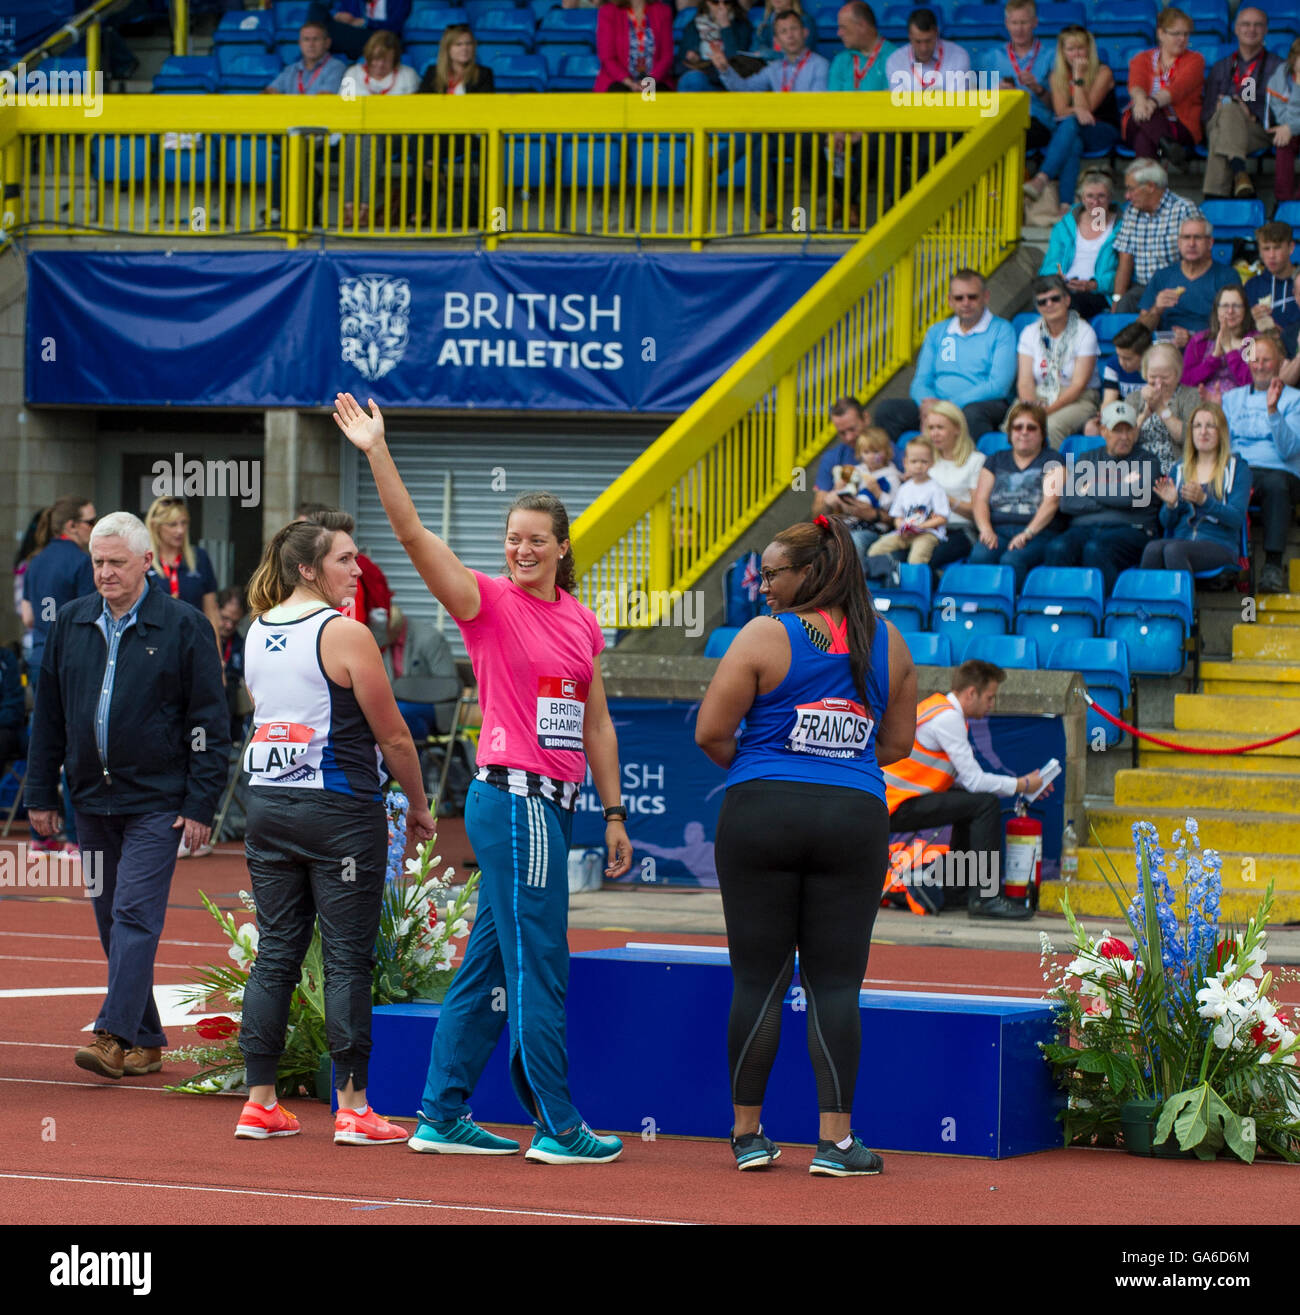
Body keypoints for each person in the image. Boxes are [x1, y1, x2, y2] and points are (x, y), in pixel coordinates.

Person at [334, 391, 634, 1164]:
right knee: (543, 960)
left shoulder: (579, 619)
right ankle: (560, 1125)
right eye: (512, 538)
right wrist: (377, 450)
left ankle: (440, 1112)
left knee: (491, 962)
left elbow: (596, 721)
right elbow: (410, 532)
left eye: (536, 539)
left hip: (555, 807)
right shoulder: (487, 602)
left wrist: (614, 812)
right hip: (514, 801)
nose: (521, 549)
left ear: (564, 547)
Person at [694, 516, 917, 1173]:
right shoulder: (892, 643)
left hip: (762, 812)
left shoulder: (765, 635)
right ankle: (837, 1143)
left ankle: (747, 1136)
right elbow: (899, 744)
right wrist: (837, 755)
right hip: (853, 816)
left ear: (810, 575)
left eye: (772, 573)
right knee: (837, 984)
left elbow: (711, 730)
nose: (760, 585)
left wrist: (769, 764)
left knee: (757, 978)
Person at [233, 519, 434, 1145]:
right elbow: (393, 734)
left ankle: (259, 1101)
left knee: (276, 952)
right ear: (308, 570)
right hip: (339, 810)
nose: (356, 571)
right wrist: (422, 807)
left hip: (266, 805)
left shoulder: (256, 629)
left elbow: (269, 711)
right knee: (348, 956)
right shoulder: (345, 633)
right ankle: (352, 1107)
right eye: (345, 561)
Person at [25, 512, 229, 1081]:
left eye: (116, 562)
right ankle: (148, 1037)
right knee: (108, 921)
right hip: (89, 799)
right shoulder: (70, 621)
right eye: (98, 562)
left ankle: (113, 1035)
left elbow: (209, 722)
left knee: (134, 913)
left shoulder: (184, 626)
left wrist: (200, 804)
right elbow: (49, 717)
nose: (105, 573)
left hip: (158, 801)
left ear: (146, 562)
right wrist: (41, 792)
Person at [882, 659, 1048, 919]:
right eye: (990, 697)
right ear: (972, 693)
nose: (992, 704)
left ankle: (959, 890)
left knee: (972, 802)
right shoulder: (948, 719)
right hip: (894, 807)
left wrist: (1025, 787)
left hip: (893, 802)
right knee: (985, 803)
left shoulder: (940, 710)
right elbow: (974, 780)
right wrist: (1022, 785)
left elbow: (965, 782)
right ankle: (985, 897)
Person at [874, 270, 1017, 443]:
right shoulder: (937, 331)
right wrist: (927, 404)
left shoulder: (1002, 330)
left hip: (981, 404)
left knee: (971, 414)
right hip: (937, 404)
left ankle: (970, 468)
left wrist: (949, 405)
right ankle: (895, 467)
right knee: (886, 410)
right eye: (959, 298)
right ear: (950, 300)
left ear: (985, 297)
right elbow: (920, 381)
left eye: (972, 297)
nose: (966, 303)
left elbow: (998, 386)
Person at [1042, 400, 1161, 593]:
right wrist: (1116, 493)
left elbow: (1131, 498)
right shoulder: (1087, 458)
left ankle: (1106, 614)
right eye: (1117, 430)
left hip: (1131, 530)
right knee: (1057, 547)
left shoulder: (1147, 460)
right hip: (1084, 529)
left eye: (1129, 430)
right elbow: (1067, 502)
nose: (1124, 437)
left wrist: (1090, 488)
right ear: (1104, 431)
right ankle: (1063, 612)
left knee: (1096, 549)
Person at [1220, 332, 1300, 594]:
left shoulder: (1295, 399)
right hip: (1240, 469)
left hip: (1280, 472)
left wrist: (1273, 411)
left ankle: (1273, 567)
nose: (1260, 365)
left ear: (1279, 363)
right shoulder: (1232, 399)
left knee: (1276, 484)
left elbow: (1289, 450)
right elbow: (1223, 445)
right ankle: (1224, 566)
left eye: (1267, 360)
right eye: (1255, 359)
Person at [1144, 402, 1251, 579]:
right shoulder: (1179, 468)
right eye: (1197, 426)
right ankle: (1147, 606)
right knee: (1152, 549)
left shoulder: (1237, 469)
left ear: (1221, 432)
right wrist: (1171, 505)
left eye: (1210, 426)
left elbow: (1236, 518)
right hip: (1183, 540)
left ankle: (1184, 606)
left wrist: (1204, 501)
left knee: (1173, 550)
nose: (1203, 432)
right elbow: (1166, 523)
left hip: (1220, 544)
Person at [1024, 30, 1120, 222]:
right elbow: (1061, 111)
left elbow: (1087, 111)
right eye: (1070, 49)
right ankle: (1065, 206)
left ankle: (1042, 178)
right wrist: (1076, 111)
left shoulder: (1103, 72)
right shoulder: (1056, 75)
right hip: (1072, 132)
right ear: (1062, 52)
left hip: (1101, 129)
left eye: (1080, 49)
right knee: (1072, 140)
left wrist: (1078, 77)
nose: (1076, 54)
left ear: (1089, 50)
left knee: (1071, 123)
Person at [966, 401, 1064, 589]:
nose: (1024, 432)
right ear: (1010, 433)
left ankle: (1012, 613)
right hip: (999, 530)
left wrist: (1027, 533)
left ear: (1042, 433)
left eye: (1031, 428)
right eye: (1018, 427)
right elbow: (980, 500)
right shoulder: (995, 460)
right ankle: (983, 611)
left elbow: (1051, 502)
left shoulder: (1054, 460)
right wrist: (985, 530)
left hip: (1039, 532)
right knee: (980, 555)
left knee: (1012, 559)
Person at [340, 31, 419, 228]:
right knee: (356, 138)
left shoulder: (408, 75)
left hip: (396, 136)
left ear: (395, 59)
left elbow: (411, 113)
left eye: (386, 60)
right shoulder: (352, 74)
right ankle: (350, 206)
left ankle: (364, 207)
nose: (380, 65)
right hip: (356, 133)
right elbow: (345, 107)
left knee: (370, 137)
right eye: (375, 59)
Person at [1200, 7, 1279, 200]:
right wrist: (1221, 111)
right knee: (1226, 114)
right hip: (1220, 124)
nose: (1251, 29)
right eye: (1245, 24)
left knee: (1221, 134)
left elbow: (1284, 111)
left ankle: (1215, 197)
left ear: (1266, 29)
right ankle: (1239, 173)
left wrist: (1252, 115)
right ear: (1235, 29)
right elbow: (1206, 113)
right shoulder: (1221, 66)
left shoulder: (1278, 66)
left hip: (1257, 130)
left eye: (1257, 25)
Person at [1014, 273, 1101, 443]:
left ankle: (1054, 469)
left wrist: (1044, 412)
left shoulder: (1084, 332)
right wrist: (1031, 406)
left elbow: (1078, 385)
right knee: (1014, 423)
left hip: (1079, 398)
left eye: (1055, 299)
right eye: (1042, 301)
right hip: (1039, 394)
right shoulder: (1029, 332)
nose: (1049, 305)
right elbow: (1024, 381)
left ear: (1067, 300)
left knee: (1051, 426)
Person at [1110, 159, 1202, 311]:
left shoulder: (1183, 209)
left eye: (1131, 189)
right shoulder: (1132, 212)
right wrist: (1117, 299)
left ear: (1151, 186)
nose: (1126, 196)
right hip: (1143, 288)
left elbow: (1199, 256)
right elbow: (1125, 260)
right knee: (1123, 308)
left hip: (1178, 287)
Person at [1136, 215, 1241, 345]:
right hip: (1167, 351)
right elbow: (1140, 331)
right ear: (1179, 243)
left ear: (1210, 243)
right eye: (1186, 237)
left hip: (1210, 351)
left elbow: (1237, 328)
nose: (1191, 244)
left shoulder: (1227, 276)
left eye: (1198, 237)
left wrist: (1193, 339)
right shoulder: (1162, 276)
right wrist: (1156, 309)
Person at [1122, 7, 1204, 168]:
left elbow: (1178, 89)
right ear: (1161, 34)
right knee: (1143, 118)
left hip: (1179, 123)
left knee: (1143, 137)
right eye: (1176, 34)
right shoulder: (1142, 58)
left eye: (1186, 34)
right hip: (1143, 114)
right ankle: (1167, 145)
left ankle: (1146, 187)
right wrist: (1140, 101)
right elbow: (1136, 84)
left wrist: (1151, 103)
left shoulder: (1195, 60)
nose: (1182, 39)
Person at [1037, 169, 1120, 319]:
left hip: (1098, 292)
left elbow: (1124, 273)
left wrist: (1094, 285)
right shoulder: (1065, 226)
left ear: (1110, 197)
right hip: (1064, 288)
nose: (1095, 202)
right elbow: (1050, 263)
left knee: (1070, 304)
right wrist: (1058, 278)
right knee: (1048, 300)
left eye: (1101, 196)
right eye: (1090, 196)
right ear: (1081, 198)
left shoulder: (1121, 227)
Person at [144, 496, 220, 646]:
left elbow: (211, 613)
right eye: (172, 525)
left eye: (184, 523)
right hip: (155, 645)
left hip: (194, 643)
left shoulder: (199, 557)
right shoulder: (145, 560)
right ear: (155, 526)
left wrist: (217, 656)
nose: (180, 530)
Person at [988, 0, 1057, 165]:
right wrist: (995, 94)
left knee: (1006, 136)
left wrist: (1038, 89)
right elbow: (982, 104)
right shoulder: (991, 57)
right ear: (1006, 24)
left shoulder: (1051, 56)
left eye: (1024, 22)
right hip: (1002, 119)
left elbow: (1057, 106)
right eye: (1014, 23)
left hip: (1037, 122)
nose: (1019, 29)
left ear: (1035, 23)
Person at [867, 437, 949, 566]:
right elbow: (897, 516)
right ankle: (886, 579)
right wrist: (901, 525)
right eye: (914, 461)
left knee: (916, 558)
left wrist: (921, 527)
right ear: (906, 463)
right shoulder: (904, 488)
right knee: (875, 550)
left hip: (928, 534)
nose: (918, 466)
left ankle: (914, 585)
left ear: (932, 463)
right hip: (905, 534)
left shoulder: (936, 488)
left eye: (924, 461)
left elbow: (942, 518)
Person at [925, 401, 986, 574]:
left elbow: (976, 511)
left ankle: (931, 599)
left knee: (926, 558)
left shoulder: (976, 461)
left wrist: (943, 498)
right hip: (928, 528)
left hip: (961, 530)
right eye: (931, 428)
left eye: (940, 427)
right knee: (895, 554)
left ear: (957, 429)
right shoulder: (927, 461)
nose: (934, 433)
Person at [830, 426, 901, 564]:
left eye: (876, 451)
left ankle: (856, 581)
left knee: (856, 542)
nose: (871, 456)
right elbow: (845, 496)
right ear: (859, 454)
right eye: (866, 452)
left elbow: (893, 508)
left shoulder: (892, 476)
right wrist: (839, 488)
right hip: (850, 523)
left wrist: (877, 492)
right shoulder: (857, 471)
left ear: (886, 452)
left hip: (875, 529)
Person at [709, 10, 828, 92]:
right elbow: (745, 88)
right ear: (777, 41)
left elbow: (817, 106)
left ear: (805, 33)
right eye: (784, 31)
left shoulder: (820, 65)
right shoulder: (774, 68)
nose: (790, 35)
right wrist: (725, 70)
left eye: (794, 29)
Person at [1133, 341, 1200, 475]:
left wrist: (1160, 408)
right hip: (1138, 470)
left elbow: (1190, 439)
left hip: (1176, 471)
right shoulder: (1134, 399)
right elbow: (1125, 439)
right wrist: (1144, 415)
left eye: (1165, 377)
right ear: (1145, 373)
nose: (1158, 383)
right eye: (1153, 377)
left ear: (1177, 374)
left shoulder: (1191, 397)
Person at [1181, 285, 1256, 402]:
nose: (1230, 311)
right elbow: (1186, 381)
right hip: (1201, 406)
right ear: (1217, 310)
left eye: (1236, 306)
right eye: (1225, 306)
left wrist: (1230, 351)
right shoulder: (1200, 340)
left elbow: (1252, 381)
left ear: (1245, 310)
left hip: (1242, 406)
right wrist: (1214, 357)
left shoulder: (1252, 340)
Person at [594, 0, 676, 92]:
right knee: (619, 93)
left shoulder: (663, 11)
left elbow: (666, 56)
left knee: (656, 96)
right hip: (618, 80)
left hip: (656, 79)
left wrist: (650, 80)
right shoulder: (608, 12)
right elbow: (607, 58)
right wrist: (629, 82)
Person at [813, 396, 874, 518]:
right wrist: (830, 498)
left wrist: (873, 514)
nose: (849, 437)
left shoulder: (888, 449)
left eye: (852, 429)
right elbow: (817, 513)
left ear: (866, 418)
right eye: (842, 433)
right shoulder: (831, 458)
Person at [1245, 221, 1299, 355]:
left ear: (1291, 248)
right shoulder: (1252, 286)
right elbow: (1244, 343)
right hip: (1261, 360)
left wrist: (1285, 335)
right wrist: (1249, 321)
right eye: (1266, 248)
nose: (1271, 255)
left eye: (1277, 247)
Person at [677, 0, 754, 91]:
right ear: (707, 2)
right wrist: (692, 58)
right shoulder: (694, 25)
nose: (721, 7)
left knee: (694, 79)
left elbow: (737, 59)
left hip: (727, 79)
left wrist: (725, 26)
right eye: (715, 2)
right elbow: (680, 61)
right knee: (692, 79)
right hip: (702, 72)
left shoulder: (742, 26)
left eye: (726, 2)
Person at [307, 0, 412, 62]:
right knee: (316, 8)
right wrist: (337, 16)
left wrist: (365, 23)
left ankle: (314, 49)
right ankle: (315, 46)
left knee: (325, 32)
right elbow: (348, 21)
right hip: (353, 37)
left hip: (383, 39)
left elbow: (395, 27)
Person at [264, 20, 346, 95]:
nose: (311, 45)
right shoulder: (291, 69)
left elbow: (325, 100)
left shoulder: (337, 67)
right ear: (300, 43)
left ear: (327, 43)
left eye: (316, 39)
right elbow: (268, 93)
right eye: (306, 39)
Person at [1095, 320, 1155, 422]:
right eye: (1119, 355)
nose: (1121, 362)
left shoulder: (1158, 368)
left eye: (1127, 358)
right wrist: (1104, 418)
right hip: (1123, 417)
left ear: (1145, 355)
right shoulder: (1113, 364)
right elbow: (1109, 402)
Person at [1265, 37, 1300, 204]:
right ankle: (1284, 201)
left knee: (1285, 133)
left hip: (1292, 127)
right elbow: (1283, 118)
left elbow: (1288, 124)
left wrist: (1291, 127)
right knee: (1282, 141)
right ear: (1293, 59)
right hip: (1290, 131)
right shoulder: (1279, 80)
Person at [419, 24, 494, 93]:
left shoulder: (483, 74)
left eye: (468, 43)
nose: (464, 48)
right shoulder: (433, 73)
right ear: (447, 49)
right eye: (458, 44)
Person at [217, 587, 249, 746]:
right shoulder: (200, 635)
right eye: (225, 618)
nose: (229, 626)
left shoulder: (240, 644)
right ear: (215, 609)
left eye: (235, 622)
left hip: (231, 722)